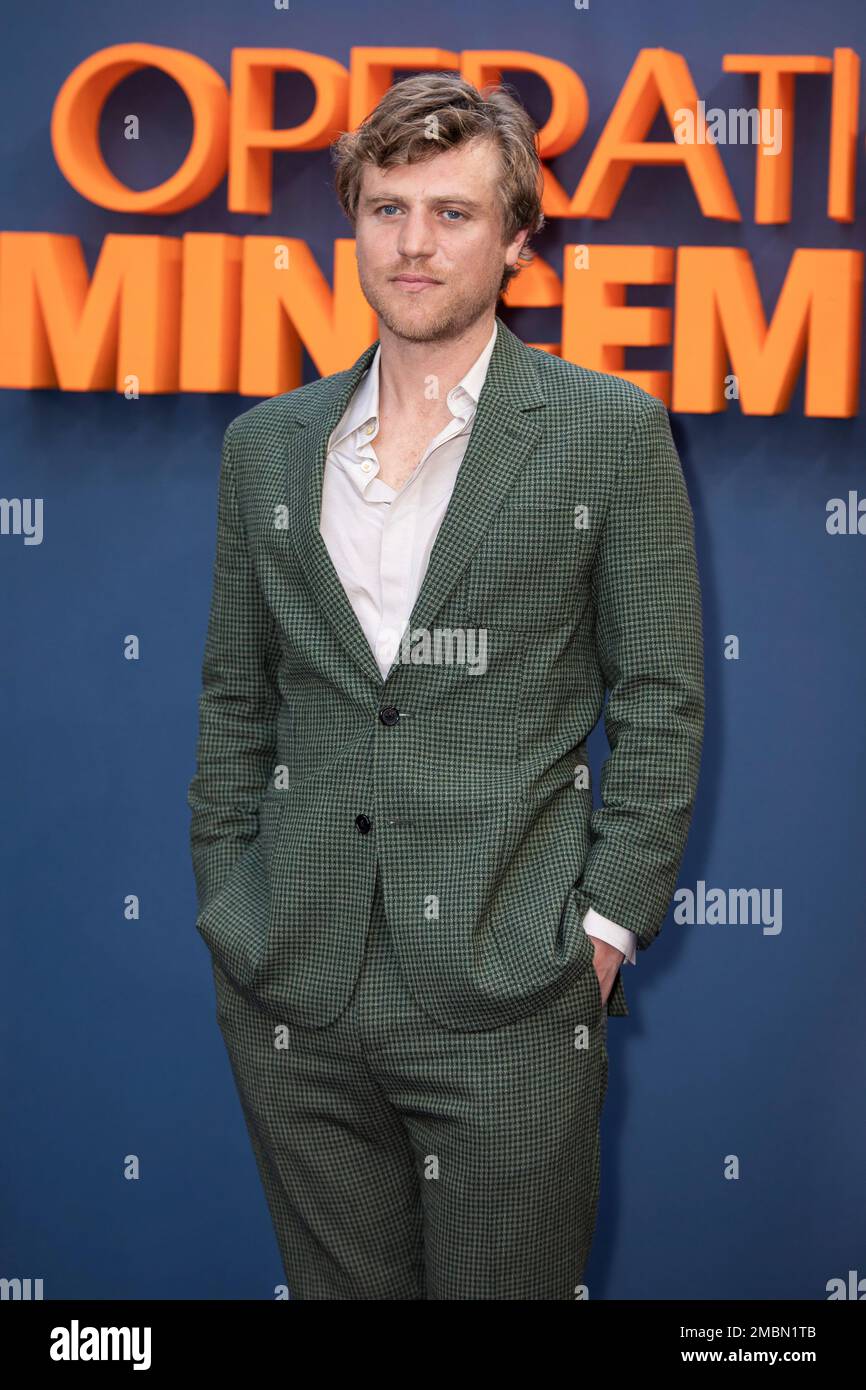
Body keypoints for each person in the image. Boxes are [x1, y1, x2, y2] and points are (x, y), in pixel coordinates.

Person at [187, 72, 704, 1300]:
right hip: (292, 985)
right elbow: (234, 698)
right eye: (386, 208)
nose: (411, 243)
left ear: (518, 239)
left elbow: (662, 698)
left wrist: (600, 932)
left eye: (452, 214)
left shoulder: (606, 431)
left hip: (512, 988)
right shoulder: (265, 443)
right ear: (353, 223)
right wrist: (229, 898)